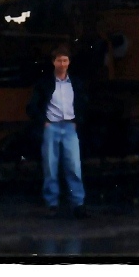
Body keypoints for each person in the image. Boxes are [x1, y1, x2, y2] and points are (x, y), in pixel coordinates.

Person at [26, 45, 88, 217]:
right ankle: (52, 203)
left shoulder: (75, 83)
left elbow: (82, 103)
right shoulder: (45, 83)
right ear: (54, 62)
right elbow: (32, 106)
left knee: (74, 166)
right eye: (59, 60)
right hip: (51, 126)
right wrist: (43, 122)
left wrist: (77, 121)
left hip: (69, 126)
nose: (62, 64)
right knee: (50, 166)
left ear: (69, 62)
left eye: (65, 60)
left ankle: (78, 203)